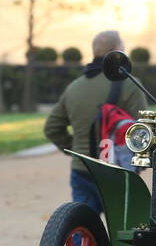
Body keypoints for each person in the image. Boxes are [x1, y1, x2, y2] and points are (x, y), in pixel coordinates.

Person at [43, 30, 148, 216]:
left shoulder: (74, 87)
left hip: (82, 168)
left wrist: (75, 148)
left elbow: (51, 128)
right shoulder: (130, 84)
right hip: (117, 172)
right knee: (124, 232)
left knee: (82, 228)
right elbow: (142, 130)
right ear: (117, 51)